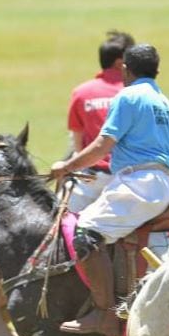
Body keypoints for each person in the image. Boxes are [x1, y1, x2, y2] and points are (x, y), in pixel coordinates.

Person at [49, 44, 169, 336]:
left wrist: (66, 167)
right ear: (156, 71)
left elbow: (102, 146)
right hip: (164, 183)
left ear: (126, 69)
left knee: (85, 232)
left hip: (138, 181)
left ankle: (105, 314)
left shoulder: (127, 96)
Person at [64, 31, 135, 213]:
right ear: (121, 63)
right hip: (130, 181)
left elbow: (77, 144)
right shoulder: (138, 93)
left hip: (91, 181)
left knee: (61, 223)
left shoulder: (81, 93)